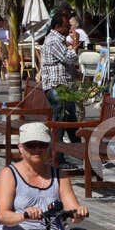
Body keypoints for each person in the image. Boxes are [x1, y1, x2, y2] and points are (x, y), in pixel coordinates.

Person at [41, 9, 82, 140]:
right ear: (58, 27)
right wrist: (75, 45)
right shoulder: (53, 40)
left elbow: (65, 62)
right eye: (67, 26)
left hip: (63, 87)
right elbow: (69, 58)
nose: (70, 28)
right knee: (60, 120)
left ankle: (77, 151)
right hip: (56, 87)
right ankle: (56, 155)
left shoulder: (58, 40)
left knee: (70, 120)